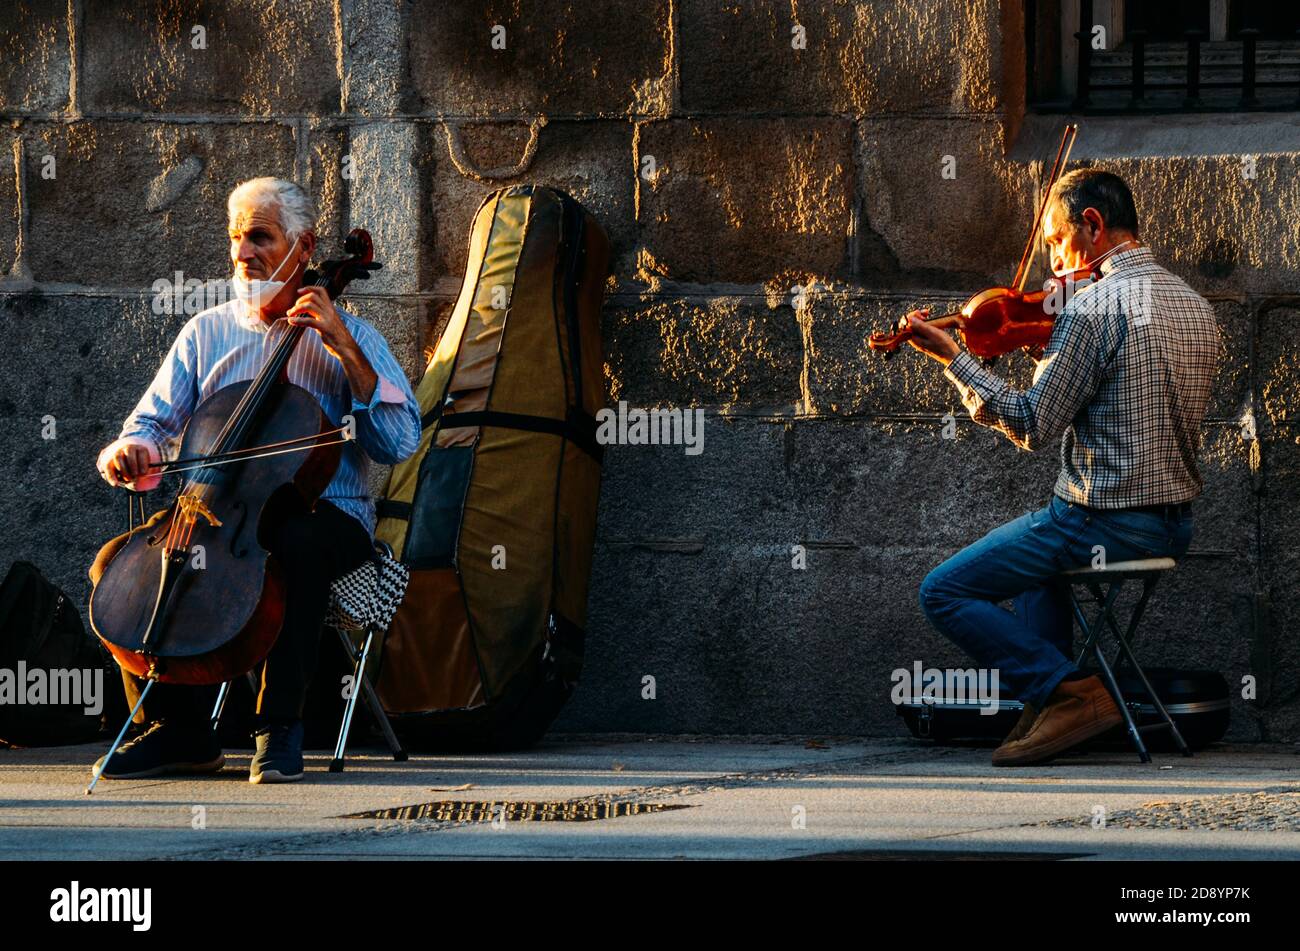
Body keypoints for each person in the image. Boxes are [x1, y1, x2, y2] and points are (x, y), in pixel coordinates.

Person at [92, 177, 421, 783]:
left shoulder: (353, 338)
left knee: (290, 542)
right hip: (219, 514)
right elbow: (151, 424)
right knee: (118, 562)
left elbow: (399, 443)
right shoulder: (206, 333)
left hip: (331, 519)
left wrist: (344, 347)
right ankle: (179, 731)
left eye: (260, 237)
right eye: (236, 239)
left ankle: (279, 725)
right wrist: (131, 450)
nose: (244, 254)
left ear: (303, 245)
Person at [902, 169, 1221, 766]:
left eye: (1054, 240)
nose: (1051, 263)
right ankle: (1051, 703)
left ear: (1093, 225)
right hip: (1173, 525)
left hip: (1102, 522)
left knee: (942, 591)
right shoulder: (1194, 305)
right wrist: (1054, 354)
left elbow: (1030, 423)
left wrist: (955, 359)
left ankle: (1068, 692)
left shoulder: (1092, 310)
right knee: (1036, 563)